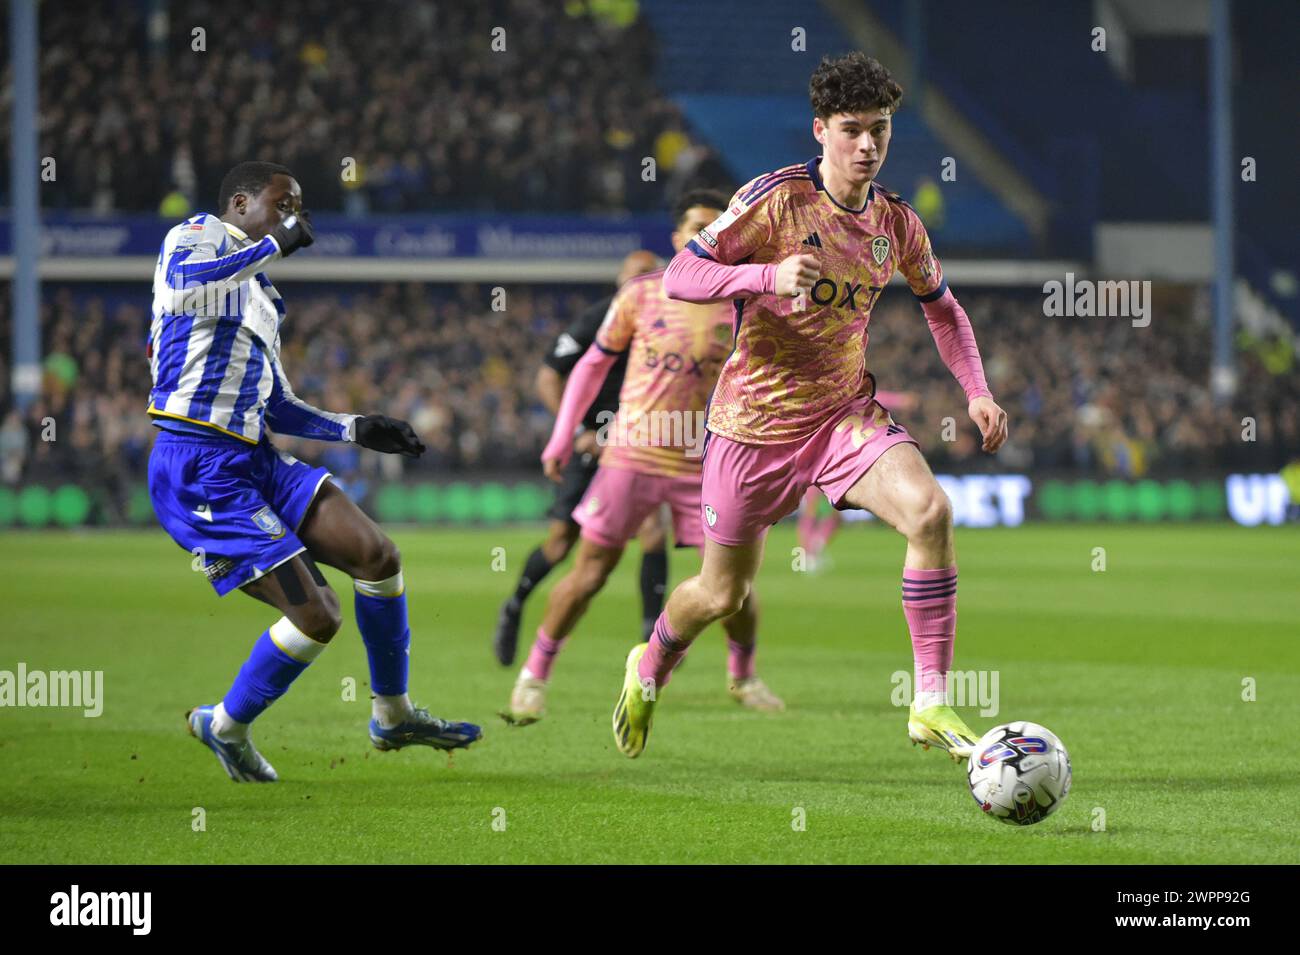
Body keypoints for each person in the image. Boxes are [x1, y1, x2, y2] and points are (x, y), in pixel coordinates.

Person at [611, 54, 1008, 760]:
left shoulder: (899, 224)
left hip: (841, 416)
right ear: (820, 130)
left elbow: (943, 311)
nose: (867, 146)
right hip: (751, 428)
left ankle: (931, 701)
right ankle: (648, 668)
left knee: (931, 512)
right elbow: (679, 272)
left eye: (880, 130)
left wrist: (976, 392)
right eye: (852, 130)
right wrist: (765, 273)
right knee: (721, 595)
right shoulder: (775, 200)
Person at [147, 161, 481, 781]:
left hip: (255, 457)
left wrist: (359, 427)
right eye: (283, 203)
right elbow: (189, 289)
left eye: (299, 206)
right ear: (241, 202)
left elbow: (276, 403)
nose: (295, 215)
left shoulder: (264, 295)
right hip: (197, 463)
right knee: (318, 616)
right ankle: (226, 726)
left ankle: (392, 713)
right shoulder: (195, 236)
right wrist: (278, 241)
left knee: (378, 555)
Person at [503, 190, 784, 726]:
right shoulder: (641, 294)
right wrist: (564, 436)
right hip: (629, 456)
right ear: (679, 240)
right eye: (701, 228)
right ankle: (533, 678)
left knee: (733, 589)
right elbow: (590, 365)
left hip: (705, 464)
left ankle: (743, 676)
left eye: (722, 229)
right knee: (589, 573)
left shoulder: (745, 303)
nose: (714, 239)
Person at [492, 251, 669, 666]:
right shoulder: (600, 319)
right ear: (620, 282)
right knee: (560, 543)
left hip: (637, 445)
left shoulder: (670, 322)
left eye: (650, 274)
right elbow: (548, 375)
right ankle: (515, 604)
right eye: (635, 275)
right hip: (592, 443)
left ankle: (651, 643)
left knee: (653, 531)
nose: (642, 282)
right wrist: (575, 433)